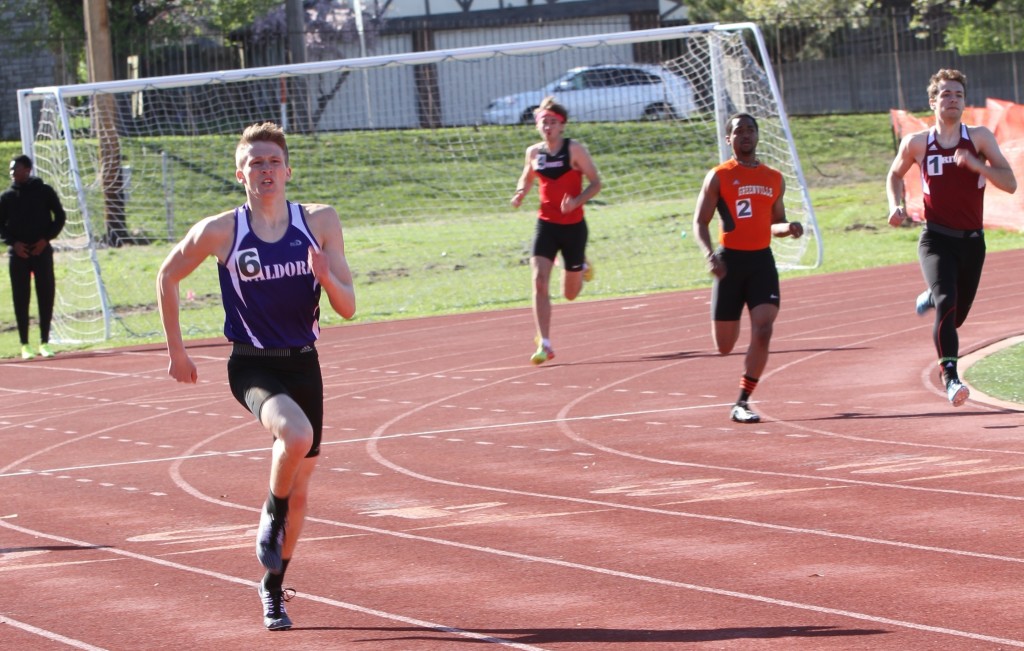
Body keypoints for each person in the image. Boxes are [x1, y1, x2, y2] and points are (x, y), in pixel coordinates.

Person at [156, 122, 356, 631]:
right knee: (295, 434)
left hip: (303, 360)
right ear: (240, 172)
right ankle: (271, 511)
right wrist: (177, 352)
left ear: (287, 170)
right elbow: (167, 275)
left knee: (303, 488)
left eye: (273, 162)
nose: (265, 171)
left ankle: (272, 588)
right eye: (256, 163)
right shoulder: (221, 231)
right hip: (252, 363)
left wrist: (327, 276)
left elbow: (348, 307)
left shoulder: (320, 222)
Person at [886, 68, 1017, 407]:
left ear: (964, 102)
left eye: (958, 95)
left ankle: (932, 297)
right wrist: (896, 205)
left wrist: (979, 166)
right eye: (946, 94)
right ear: (933, 101)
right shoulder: (916, 143)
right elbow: (894, 175)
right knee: (948, 303)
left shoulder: (979, 138)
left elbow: (1010, 182)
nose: (952, 100)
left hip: (972, 242)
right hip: (935, 238)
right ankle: (951, 378)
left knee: (955, 317)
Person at [693, 113, 804, 423]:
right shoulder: (719, 176)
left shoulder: (773, 178)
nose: (745, 135)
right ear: (728, 139)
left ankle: (742, 401)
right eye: (738, 131)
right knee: (725, 345)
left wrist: (790, 228)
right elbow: (700, 221)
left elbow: (775, 224)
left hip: (761, 263)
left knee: (764, 329)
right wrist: (708, 255)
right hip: (728, 263)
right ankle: (740, 394)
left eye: (750, 130)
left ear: (757, 137)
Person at [510, 96, 602, 365]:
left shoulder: (574, 150)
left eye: (552, 122)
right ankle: (545, 343)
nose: (547, 127)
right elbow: (526, 177)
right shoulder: (534, 152)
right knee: (539, 281)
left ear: (562, 126)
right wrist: (519, 193)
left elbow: (596, 183)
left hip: (573, 227)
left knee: (570, 295)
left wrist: (576, 201)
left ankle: (581, 265)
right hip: (546, 225)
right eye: (543, 122)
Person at [0, 155, 66, 359]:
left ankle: (45, 342)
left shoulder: (44, 191)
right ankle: (24, 344)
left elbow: (60, 217)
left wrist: (45, 240)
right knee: (21, 297)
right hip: (18, 254)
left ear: (27, 169)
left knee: (45, 294)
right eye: (11, 169)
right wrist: (14, 243)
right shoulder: (6, 197)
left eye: (16, 169)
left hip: (41, 252)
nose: (12, 172)